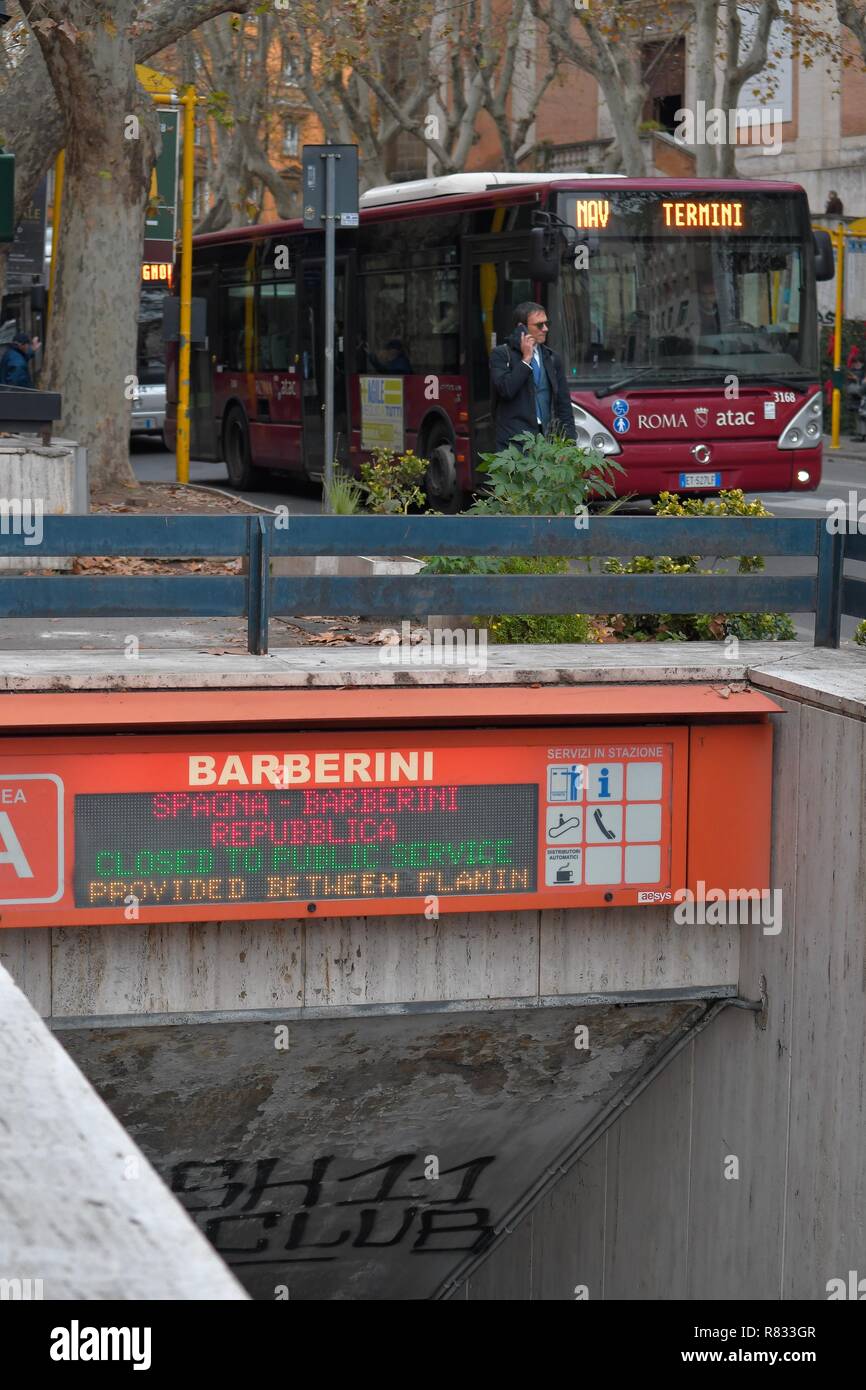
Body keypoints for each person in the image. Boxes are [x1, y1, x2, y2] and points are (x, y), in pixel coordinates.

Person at [489, 302, 576, 451]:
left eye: (547, 323)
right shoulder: (501, 355)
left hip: (547, 441)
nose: (545, 329)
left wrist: (570, 442)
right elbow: (506, 390)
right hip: (514, 443)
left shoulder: (553, 358)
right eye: (539, 325)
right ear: (521, 328)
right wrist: (526, 360)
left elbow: (564, 403)